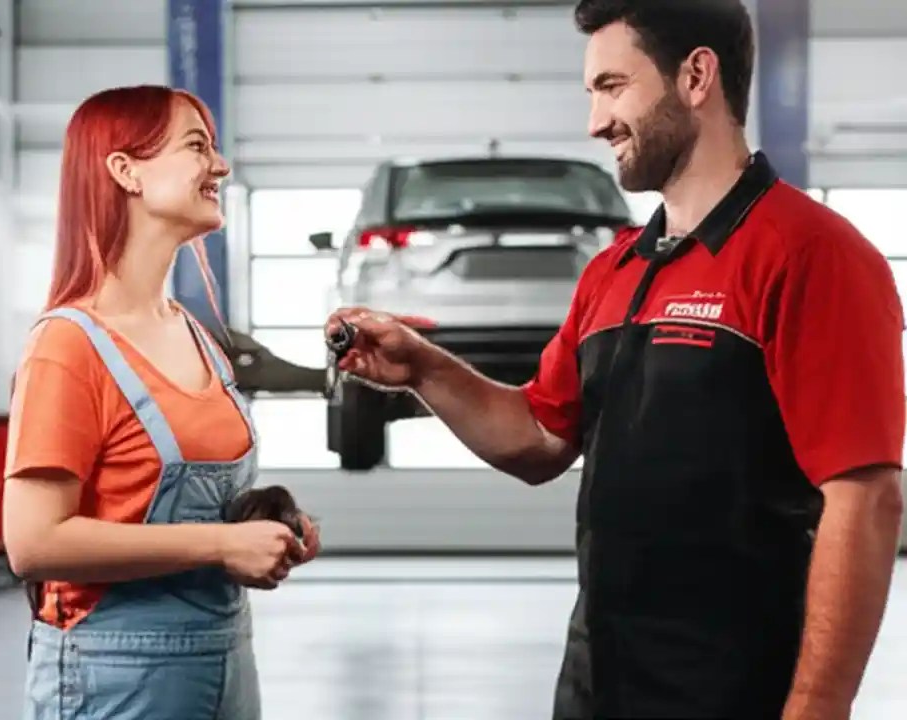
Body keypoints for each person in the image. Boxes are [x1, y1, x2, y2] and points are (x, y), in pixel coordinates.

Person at [325, 1, 905, 718]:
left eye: (612, 87)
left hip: (736, 692)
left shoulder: (813, 255)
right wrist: (423, 368)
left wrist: (817, 709)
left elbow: (866, 497)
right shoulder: (616, 270)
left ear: (696, 75)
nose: (595, 122)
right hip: (598, 685)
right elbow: (538, 437)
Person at [3, 85, 320, 720]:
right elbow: (33, 543)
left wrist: (261, 519)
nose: (222, 167)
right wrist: (219, 547)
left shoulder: (196, 334)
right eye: (197, 146)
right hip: (117, 675)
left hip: (224, 658)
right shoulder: (68, 344)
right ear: (126, 171)